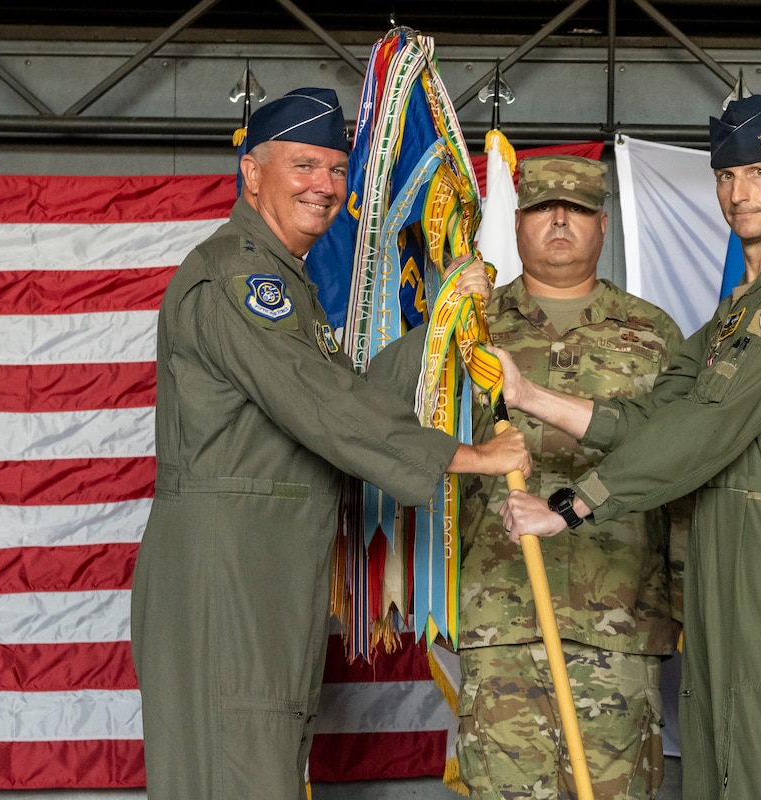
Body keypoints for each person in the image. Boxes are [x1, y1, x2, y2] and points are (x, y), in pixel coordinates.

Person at [129, 87, 530, 800]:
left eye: (338, 170)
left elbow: (348, 392)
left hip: (265, 563)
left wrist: (440, 322)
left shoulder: (288, 283)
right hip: (232, 568)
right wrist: (460, 457)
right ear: (252, 172)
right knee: (240, 772)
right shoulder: (240, 279)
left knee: (261, 764)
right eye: (305, 164)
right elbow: (320, 406)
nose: (326, 186)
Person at [497, 95, 761, 800]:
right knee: (718, 762)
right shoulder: (740, 310)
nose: (738, 192)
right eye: (727, 176)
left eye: (759, 172)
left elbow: (708, 428)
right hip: (721, 539)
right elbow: (658, 417)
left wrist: (570, 507)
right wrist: (532, 397)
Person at [455, 155, 687, 800]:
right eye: (542, 208)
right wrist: (441, 311)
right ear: (519, 221)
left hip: (618, 618)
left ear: (603, 225)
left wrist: (683, 602)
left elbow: (678, 461)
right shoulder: (470, 325)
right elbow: (411, 433)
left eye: (578, 209)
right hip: (500, 613)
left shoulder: (654, 335)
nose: (560, 220)